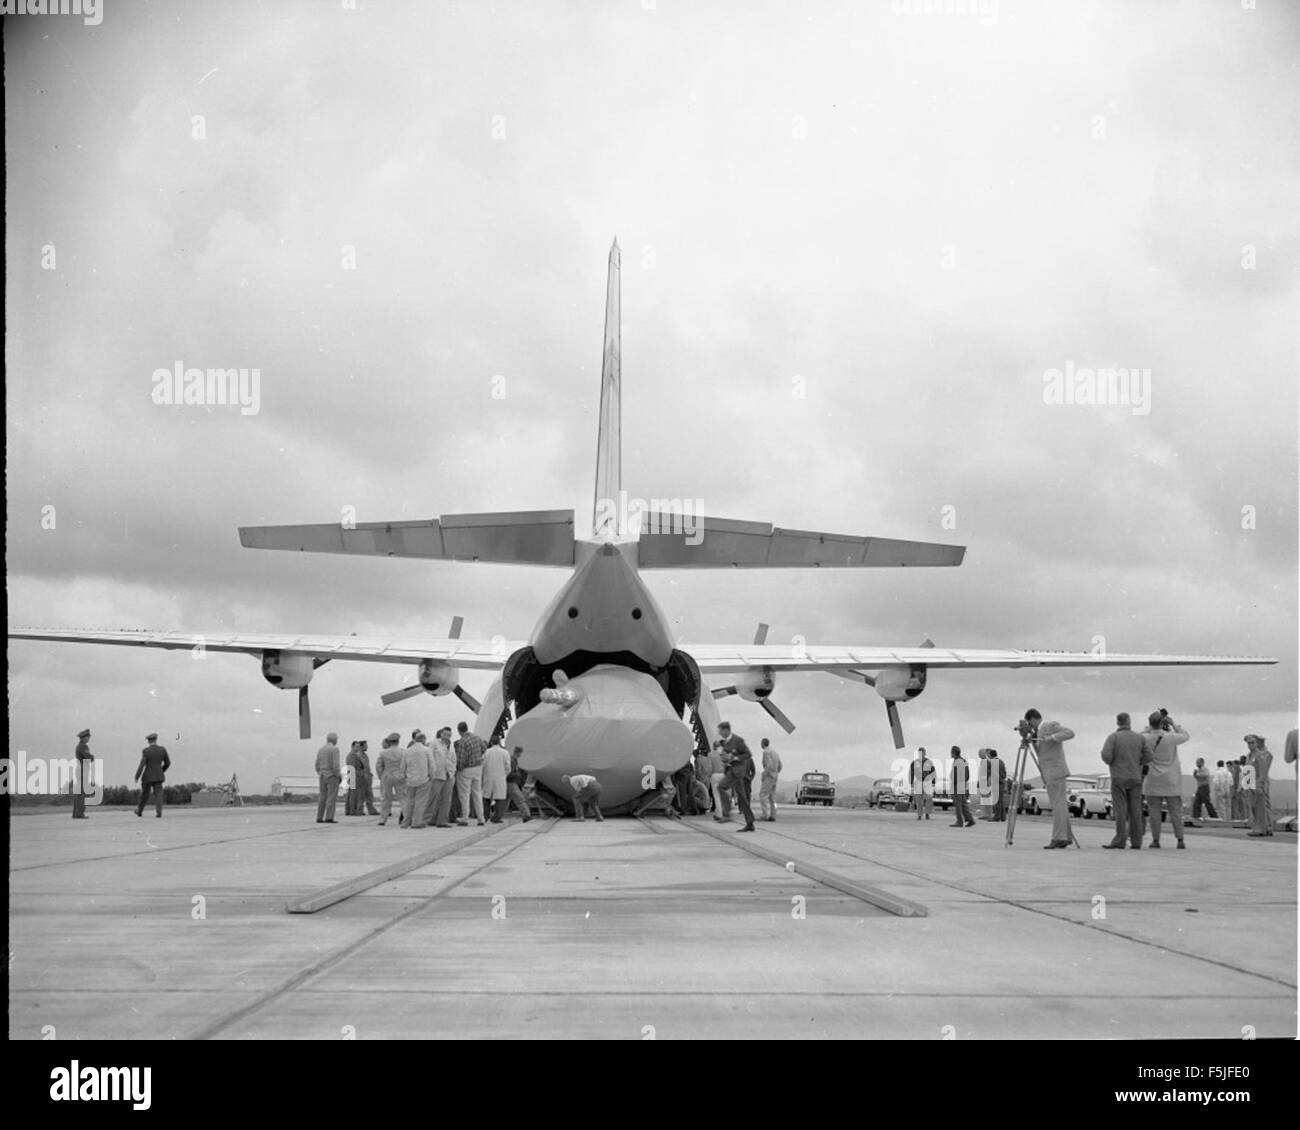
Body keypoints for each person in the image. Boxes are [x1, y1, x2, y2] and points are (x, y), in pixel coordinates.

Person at [1100, 712, 1150, 850]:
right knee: (1135, 809)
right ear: (1129, 722)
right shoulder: (1139, 738)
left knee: (1121, 810)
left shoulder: (1113, 737)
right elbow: (1149, 755)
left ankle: (1120, 840)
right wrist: (1138, 763)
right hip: (1135, 777)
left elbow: (1106, 755)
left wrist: (1112, 762)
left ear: (1118, 723)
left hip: (1118, 776)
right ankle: (1136, 841)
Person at [1141, 710, 1189, 849]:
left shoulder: (1145, 738)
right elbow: (1186, 736)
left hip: (1152, 780)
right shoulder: (1171, 737)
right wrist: (1173, 724)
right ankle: (1180, 839)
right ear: (1163, 723)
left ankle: (1156, 840)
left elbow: (1137, 736)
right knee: (1175, 812)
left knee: (1154, 813)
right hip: (1171, 780)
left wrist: (1149, 727)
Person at [1028, 710, 1075, 849]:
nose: (1031, 726)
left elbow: (1070, 733)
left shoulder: (1049, 725)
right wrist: (1031, 740)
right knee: (1060, 805)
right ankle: (1065, 837)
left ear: (1033, 719)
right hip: (1050, 772)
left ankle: (1059, 837)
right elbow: (1040, 754)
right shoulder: (1038, 731)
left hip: (1055, 771)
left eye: (1030, 723)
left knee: (1058, 805)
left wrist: (1052, 737)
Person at [453, 721, 487, 827]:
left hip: (466, 770)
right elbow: (484, 748)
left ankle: (465, 818)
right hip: (478, 769)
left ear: (459, 731)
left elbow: (461, 759)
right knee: (477, 794)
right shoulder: (477, 738)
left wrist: (458, 769)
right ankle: (481, 818)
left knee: (465, 795)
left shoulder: (462, 741)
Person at [723, 733, 757, 832]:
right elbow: (752, 770)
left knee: (743, 800)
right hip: (744, 780)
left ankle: (750, 822)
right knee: (744, 800)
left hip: (740, 780)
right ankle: (749, 822)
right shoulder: (747, 758)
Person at [424, 727, 457, 827]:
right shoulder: (434, 744)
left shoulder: (451, 746)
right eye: (445, 734)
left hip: (448, 774)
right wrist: (431, 771)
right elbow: (429, 757)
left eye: (449, 735)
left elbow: (454, 759)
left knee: (446, 799)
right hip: (437, 774)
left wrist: (453, 770)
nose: (447, 736)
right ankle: (425, 819)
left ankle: (442, 820)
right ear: (441, 734)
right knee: (432, 798)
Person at [400, 731, 434, 829]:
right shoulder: (427, 750)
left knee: (409, 801)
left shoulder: (407, 751)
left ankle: (405, 822)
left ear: (415, 740)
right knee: (420, 802)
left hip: (410, 780)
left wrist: (405, 776)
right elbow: (431, 765)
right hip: (423, 779)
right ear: (424, 740)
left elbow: (402, 766)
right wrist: (432, 776)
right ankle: (416, 822)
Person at [134, 732, 172, 818]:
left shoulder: (146, 751)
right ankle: (159, 812)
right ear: (156, 739)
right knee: (158, 794)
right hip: (158, 776)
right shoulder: (162, 750)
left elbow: (142, 765)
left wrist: (137, 776)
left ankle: (139, 811)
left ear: (148, 741)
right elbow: (168, 763)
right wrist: (161, 770)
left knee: (145, 794)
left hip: (147, 776)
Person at [1244, 734, 1274, 838]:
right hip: (1250, 783)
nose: (1250, 745)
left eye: (1252, 743)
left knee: (1261, 807)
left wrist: (1260, 785)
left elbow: (1263, 771)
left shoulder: (1260, 755)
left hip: (1258, 783)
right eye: (1248, 743)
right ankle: (1258, 827)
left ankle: (1262, 829)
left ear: (1257, 743)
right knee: (1253, 807)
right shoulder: (1249, 756)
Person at [375, 733, 405, 826]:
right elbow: (405, 765)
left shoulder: (383, 752)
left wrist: (381, 776)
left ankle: (382, 819)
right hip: (399, 775)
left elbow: (378, 766)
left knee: (385, 798)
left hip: (387, 775)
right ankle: (407, 817)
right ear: (398, 741)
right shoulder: (403, 752)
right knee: (403, 798)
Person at [482, 740, 511, 823]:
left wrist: (484, 774)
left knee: (486, 797)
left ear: (491, 743)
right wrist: (504, 775)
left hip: (488, 777)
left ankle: (485, 816)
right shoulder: (505, 752)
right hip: (500, 778)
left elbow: (483, 764)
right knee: (500, 798)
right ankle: (496, 818)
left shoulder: (487, 752)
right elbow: (508, 767)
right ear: (499, 742)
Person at [315, 732, 342, 824]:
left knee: (322, 797)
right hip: (332, 775)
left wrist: (320, 772)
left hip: (322, 775)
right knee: (331, 797)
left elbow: (317, 764)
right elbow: (336, 765)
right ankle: (329, 817)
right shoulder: (335, 749)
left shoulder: (320, 750)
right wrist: (338, 775)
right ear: (335, 740)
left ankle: (319, 817)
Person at [506, 746, 533, 822]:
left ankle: (496, 816)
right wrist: (518, 774)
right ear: (519, 753)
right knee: (520, 799)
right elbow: (510, 774)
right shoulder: (512, 761)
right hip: (511, 783)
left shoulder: (513, 760)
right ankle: (526, 816)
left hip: (509, 783)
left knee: (505, 801)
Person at [949, 746, 974, 827]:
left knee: (958, 804)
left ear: (953, 753)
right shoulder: (964, 761)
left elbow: (955, 775)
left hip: (956, 786)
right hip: (962, 785)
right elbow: (967, 775)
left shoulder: (957, 762)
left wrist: (955, 783)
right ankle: (970, 819)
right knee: (963, 804)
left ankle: (959, 821)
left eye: (951, 752)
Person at [758, 738, 782, 822]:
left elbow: (768, 764)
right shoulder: (775, 752)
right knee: (773, 797)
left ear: (763, 744)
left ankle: (765, 814)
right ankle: (773, 814)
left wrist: (765, 773)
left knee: (763, 795)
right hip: (775, 775)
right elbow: (780, 765)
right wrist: (776, 772)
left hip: (769, 775)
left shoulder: (766, 752)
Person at [72, 728, 93, 820]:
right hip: (83, 770)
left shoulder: (78, 746)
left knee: (79, 792)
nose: (89, 739)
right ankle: (79, 813)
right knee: (82, 793)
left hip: (80, 769)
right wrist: (92, 757)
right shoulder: (83, 747)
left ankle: (76, 813)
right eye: (87, 737)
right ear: (83, 738)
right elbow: (88, 757)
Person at [909, 747, 935, 820]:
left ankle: (927, 813)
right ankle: (919, 815)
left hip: (927, 782)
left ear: (925, 753)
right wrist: (911, 782)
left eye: (923, 752)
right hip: (918, 781)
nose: (922, 754)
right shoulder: (914, 762)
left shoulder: (929, 762)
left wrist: (933, 782)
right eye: (920, 753)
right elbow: (911, 773)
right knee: (918, 799)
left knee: (929, 798)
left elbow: (933, 772)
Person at [1191, 757, 1217, 821]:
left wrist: (1197, 774)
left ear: (1202, 763)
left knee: (1207, 803)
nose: (1196, 764)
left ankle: (1215, 817)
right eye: (1196, 762)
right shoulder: (1198, 770)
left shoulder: (1205, 769)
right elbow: (1198, 778)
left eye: (1198, 762)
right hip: (1199, 788)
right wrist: (1195, 774)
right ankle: (1196, 817)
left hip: (1204, 787)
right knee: (1196, 803)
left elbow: (1205, 775)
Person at [356, 740, 378, 816]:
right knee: (361, 794)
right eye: (366, 745)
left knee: (369, 794)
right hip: (362, 777)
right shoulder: (359, 755)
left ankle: (371, 810)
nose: (367, 747)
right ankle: (359, 810)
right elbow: (361, 767)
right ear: (362, 746)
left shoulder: (365, 755)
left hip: (367, 776)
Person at [344, 741, 365, 816]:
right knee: (353, 795)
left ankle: (352, 810)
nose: (358, 748)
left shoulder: (355, 755)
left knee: (353, 795)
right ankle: (352, 810)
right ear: (352, 746)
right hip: (354, 776)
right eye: (356, 746)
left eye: (359, 746)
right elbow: (352, 767)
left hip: (355, 776)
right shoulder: (351, 756)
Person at [991, 750, 1008, 821]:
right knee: (1000, 801)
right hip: (1002, 783)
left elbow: (994, 774)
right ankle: (1003, 817)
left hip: (996, 783)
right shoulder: (1001, 762)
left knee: (996, 801)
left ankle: (996, 817)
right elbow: (1004, 773)